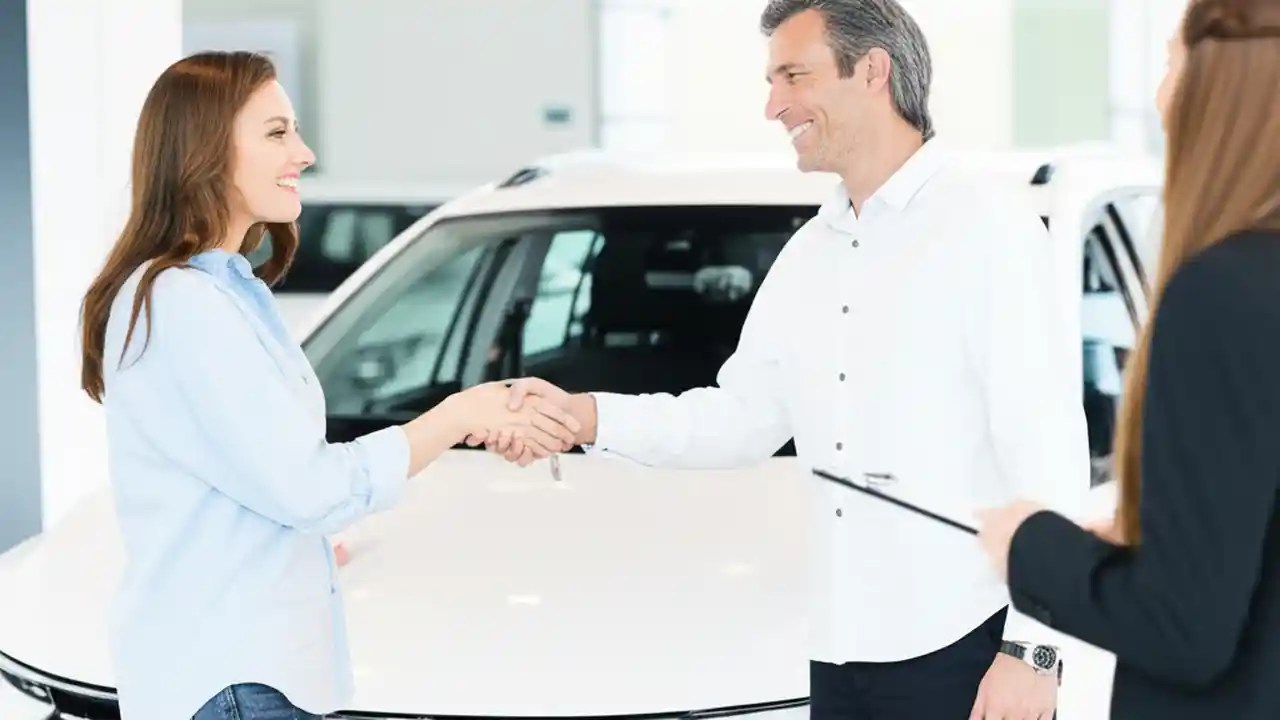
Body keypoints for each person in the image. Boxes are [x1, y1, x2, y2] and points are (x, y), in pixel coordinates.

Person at [478, 1, 1090, 717]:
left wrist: (1034, 650)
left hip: (966, 646)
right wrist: (583, 416)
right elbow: (741, 419)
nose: (773, 107)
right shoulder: (811, 252)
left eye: (793, 77)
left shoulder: (987, 226)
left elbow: (1046, 446)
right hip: (839, 651)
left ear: (873, 71)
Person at [77, 52, 579, 720]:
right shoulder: (184, 301)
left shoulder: (218, 291)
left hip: (243, 668)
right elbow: (308, 488)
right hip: (235, 678)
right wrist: (458, 415)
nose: (305, 153)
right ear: (204, 150)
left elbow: (256, 481)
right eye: (277, 132)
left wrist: (297, 548)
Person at [976, 0, 1280, 717]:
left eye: (1172, 62)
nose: (1158, 96)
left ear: (1223, 89)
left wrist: (1031, 546)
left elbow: (1185, 630)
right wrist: (1159, 542)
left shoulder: (1220, 293)